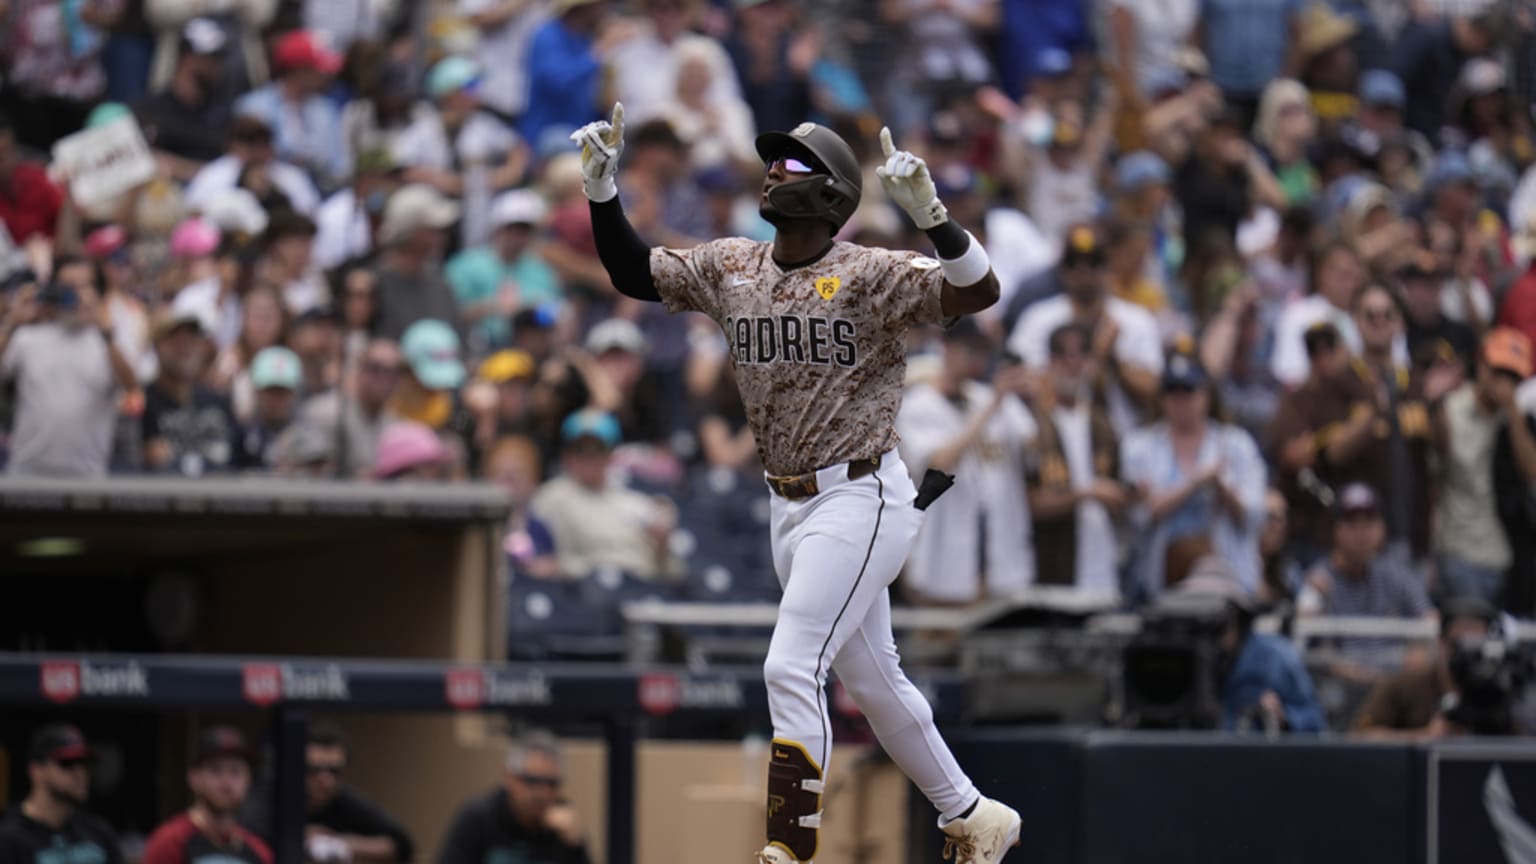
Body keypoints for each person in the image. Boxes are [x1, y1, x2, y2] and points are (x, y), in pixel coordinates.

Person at [575, 104, 1020, 862]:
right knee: (876, 683)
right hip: (788, 502)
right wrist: (601, 191)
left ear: (835, 195)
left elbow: (979, 292)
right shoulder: (732, 265)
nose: (777, 172)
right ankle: (973, 813)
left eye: (797, 165)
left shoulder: (871, 272)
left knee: (791, 662)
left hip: (861, 493)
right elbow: (631, 271)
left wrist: (935, 218)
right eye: (773, 161)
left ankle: (789, 848)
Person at [897, 319, 1036, 604]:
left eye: (982, 351)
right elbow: (938, 464)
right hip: (937, 553)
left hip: (995, 555)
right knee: (938, 643)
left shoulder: (992, 398)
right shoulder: (917, 405)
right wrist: (991, 408)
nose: (977, 358)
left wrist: (1036, 396)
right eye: (968, 349)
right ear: (945, 348)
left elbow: (1036, 451)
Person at [1122, 352, 1269, 597]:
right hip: (1159, 583)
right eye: (1173, 394)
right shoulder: (1139, 446)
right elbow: (1140, 517)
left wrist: (1220, 487)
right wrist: (1196, 481)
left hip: (1229, 584)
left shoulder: (1237, 444)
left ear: (1206, 395)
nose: (1181, 402)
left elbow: (1254, 516)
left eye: (1188, 393)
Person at [1008, 223, 1163, 436]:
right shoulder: (1038, 319)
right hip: (1060, 444)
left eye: (1094, 262)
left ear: (1109, 267)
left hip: (1127, 439)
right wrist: (1090, 361)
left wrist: (1115, 361)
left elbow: (1156, 393)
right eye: (1074, 263)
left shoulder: (1136, 320)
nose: (1084, 272)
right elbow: (1018, 382)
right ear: (1062, 270)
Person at [0, 267, 137, 477]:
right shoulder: (28, 337)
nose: (76, 295)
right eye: (68, 287)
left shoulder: (109, 343)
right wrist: (11, 322)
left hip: (87, 474)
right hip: (26, 472)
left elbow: (132, 386)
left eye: (83, 286)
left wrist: (104, 328)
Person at [1434, 328, 1536, 603]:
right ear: (1481, 365)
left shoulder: (1518, 419)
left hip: (1506, 555)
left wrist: (1513, 411)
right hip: (1461, 552)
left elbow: (1531, 473)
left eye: (1513, 376)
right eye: (1498, 370)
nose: (1503, 381)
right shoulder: (1452, 409)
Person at [1023, 322, 1125, 592]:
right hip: (1051, 569)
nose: (1072, 363)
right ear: (1049, 362)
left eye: (1081, 354)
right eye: (1063, 355)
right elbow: (1029, 503)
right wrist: (1085, 493)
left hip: (1102, 567)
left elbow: (1120, 496)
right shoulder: (1032, 424)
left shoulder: (1103, 425)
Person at [1176, 557, 1324, 734]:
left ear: (1237, 617)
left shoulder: (1277, 657)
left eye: (1216, 621)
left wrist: (1284, 718)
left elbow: (1315, 723)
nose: (1207, 633)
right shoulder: (1176, 661)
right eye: (1196, 621)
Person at [529, 410, 680, 581]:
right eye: (580, 449)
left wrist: (661, 546)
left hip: (641, 586)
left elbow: (670, 570)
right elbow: (546, 560)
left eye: (598, 449)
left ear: (610, 455)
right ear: (567, 455)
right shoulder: (551, 498)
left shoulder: (633, 499)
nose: (589, 457)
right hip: (585, 588)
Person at [438, 730, 589, 864]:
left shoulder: (563, 826)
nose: (541, 793)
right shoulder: (480, 818)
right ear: (509, 778)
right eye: (531, 781)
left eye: (551, 783)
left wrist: (575, 846)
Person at [1354, 599, 1498, 739]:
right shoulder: (1405, 685)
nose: (1467, 657)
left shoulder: (1498, 687)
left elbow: (1516, 742)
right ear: (1442, 642)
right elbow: (1360, 736)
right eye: (1459, 646)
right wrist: (1423, 736)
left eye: (1477, 649)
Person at [142, 727, 272, 864]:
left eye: (236, 771)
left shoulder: (258, 851)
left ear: (249, 779)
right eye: (216, 770)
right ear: (194, 778)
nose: (226, 783)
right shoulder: (170, 843)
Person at [0, 725, 121, 864]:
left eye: (84, 764)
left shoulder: (98, 833)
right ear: (36, 771)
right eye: (67, 763)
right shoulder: (9, 839)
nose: (80, 773)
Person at [302, 724, 414, 863]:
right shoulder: (274, 798)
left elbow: (402, 845)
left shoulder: (345, 801)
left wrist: (339, 845)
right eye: (315, 770)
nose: (326, 780)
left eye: (334, 771)